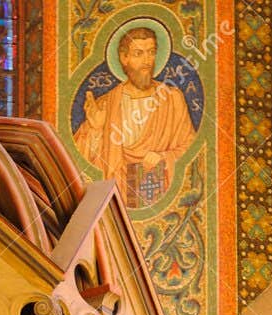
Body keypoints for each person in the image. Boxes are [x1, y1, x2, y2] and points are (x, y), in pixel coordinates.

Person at [72, 27, 196, 208]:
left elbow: (191, 148)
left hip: (161, 191)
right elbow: (78, 162)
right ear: (124, 58)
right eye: (139, 53)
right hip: (117, 195)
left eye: (151, 52)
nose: (147, 61)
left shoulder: (172, 99)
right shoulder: (106, 104)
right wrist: (96, 129)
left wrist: (163, 157)